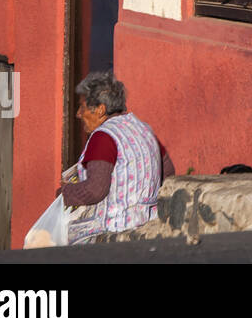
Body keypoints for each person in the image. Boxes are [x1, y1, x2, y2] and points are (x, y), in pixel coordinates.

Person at [59, 71, 175, 244]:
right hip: (146, 230)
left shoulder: (103, 137)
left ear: (100, 109)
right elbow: (168, 172)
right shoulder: (144, 130)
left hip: (111, 233)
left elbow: (95, 190)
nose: (78, 114)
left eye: (82, 107)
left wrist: (65, 193)